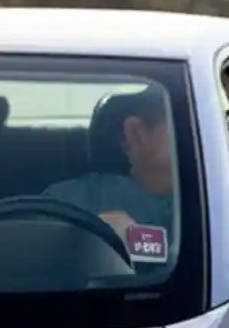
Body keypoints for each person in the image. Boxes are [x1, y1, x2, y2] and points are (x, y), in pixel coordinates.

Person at [45, 89, 174, 235]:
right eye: (179, 124)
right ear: (135, 132)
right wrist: (91, 238)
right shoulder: (68, 201)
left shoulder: (202, 196)